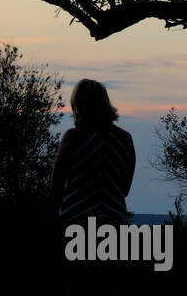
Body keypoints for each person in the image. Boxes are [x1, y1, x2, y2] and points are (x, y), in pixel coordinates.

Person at [52, 79, 135, 226]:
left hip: (76, 221)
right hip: (115, 222)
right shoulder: (125, 139)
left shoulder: (73, 138)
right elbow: (125, 189)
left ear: (77, 105)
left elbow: (57, 186)